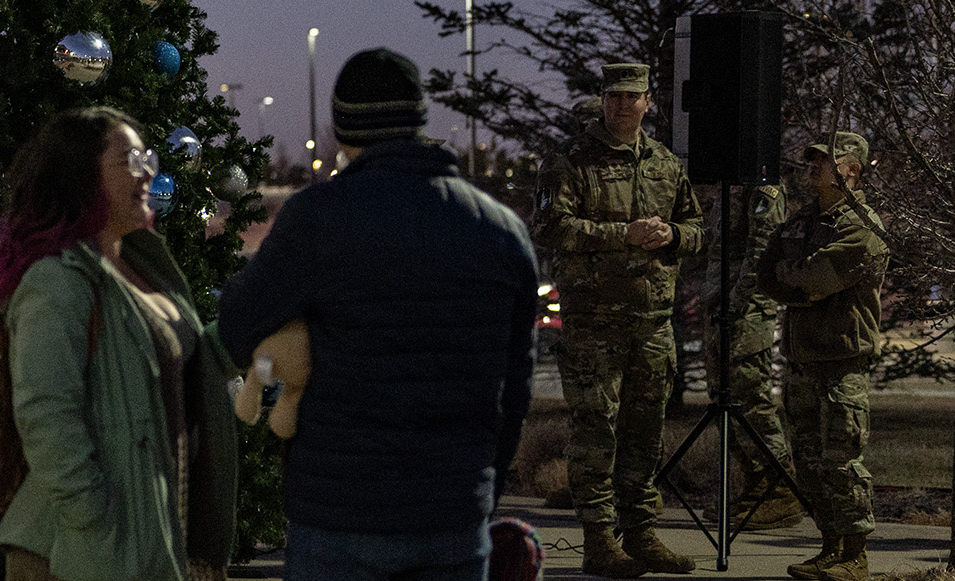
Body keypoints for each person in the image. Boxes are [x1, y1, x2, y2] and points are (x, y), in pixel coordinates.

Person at [217, 48, 539, 581]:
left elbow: (237, 329)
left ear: (343, 131)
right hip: (454, 511)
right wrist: (483, 486)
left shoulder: (318, 220)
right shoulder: (502, 231)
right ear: (418, 119)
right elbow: (515, 388)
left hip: (341, 515)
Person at [0, 107, 237, 581]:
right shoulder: (58, 280)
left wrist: (246, 327)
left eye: (148, 158)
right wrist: (95, 519)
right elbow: (45, 414)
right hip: (74, 553)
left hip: (146, 536)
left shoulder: (139, 265)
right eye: (130, 160)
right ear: (83, 177)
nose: (149, 173)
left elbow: (185, 363)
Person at [534, 62, 704, 578]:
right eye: (614, 97)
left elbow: (697, 228)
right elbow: (549, 226)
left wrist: (671, 235)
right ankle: (599, 540)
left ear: (648, 102)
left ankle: (642, 534)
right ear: (604, 101)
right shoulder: (570, 161)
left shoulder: (665, 164)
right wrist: (620, 235)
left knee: (644, 433)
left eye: (633, 98)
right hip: (594, 324)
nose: (623, 106)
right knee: (595, 434)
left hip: (652, 322)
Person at [755, 131, 888, 581]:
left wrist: (796, 277)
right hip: (800, 359)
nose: (814, 166)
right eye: (812, 159)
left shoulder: (862, 224)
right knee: (808, 463)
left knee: (842, 462)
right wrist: (798, 285)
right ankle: (830, 547)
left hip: (840, 361)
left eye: (827, 160)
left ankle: (856, 556)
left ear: (852, 169)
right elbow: (766, 273)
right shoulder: (800, 221)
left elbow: (823, 275)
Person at [699, 176, 800, 529]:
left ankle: (779, 489)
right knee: (723, 393)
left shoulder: (765, 187)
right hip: (719, 303)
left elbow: (761, 252)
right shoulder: (729, 187)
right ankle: (756, 484)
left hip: (744, 308)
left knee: (749, 395)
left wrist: (738, 302)